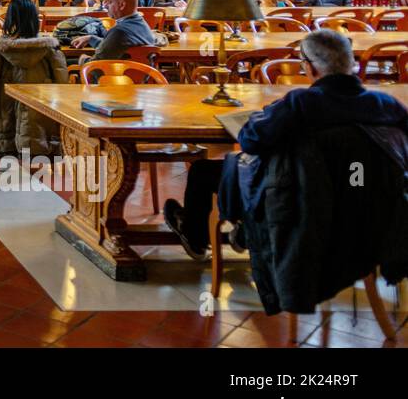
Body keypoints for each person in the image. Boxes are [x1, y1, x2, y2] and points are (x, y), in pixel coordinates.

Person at [163, 30, 408, 266]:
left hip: (301, 206)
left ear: (310, 67)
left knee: (204, 171)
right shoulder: (387, 105)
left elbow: (251, 141)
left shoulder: (301, 103)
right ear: (351, 64)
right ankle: (246, 230)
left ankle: (201, 237)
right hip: (367, 209)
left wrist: (260, 118)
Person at [0, 0, 69, 161]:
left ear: (9, 18)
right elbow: (62, 84)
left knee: (4, 114)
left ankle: (6, 154)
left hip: (4, 112)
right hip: (41, 111)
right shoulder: (50, 49)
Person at [70, 0, 157, 61]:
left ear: (122, 5)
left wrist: (83, 59)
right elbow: (114, 46)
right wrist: (90, 39)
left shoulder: (119, 31)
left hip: (115, 76)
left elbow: (97, 67)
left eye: (109, 2)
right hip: (139, 75)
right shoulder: (141, 24)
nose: (105, 5)